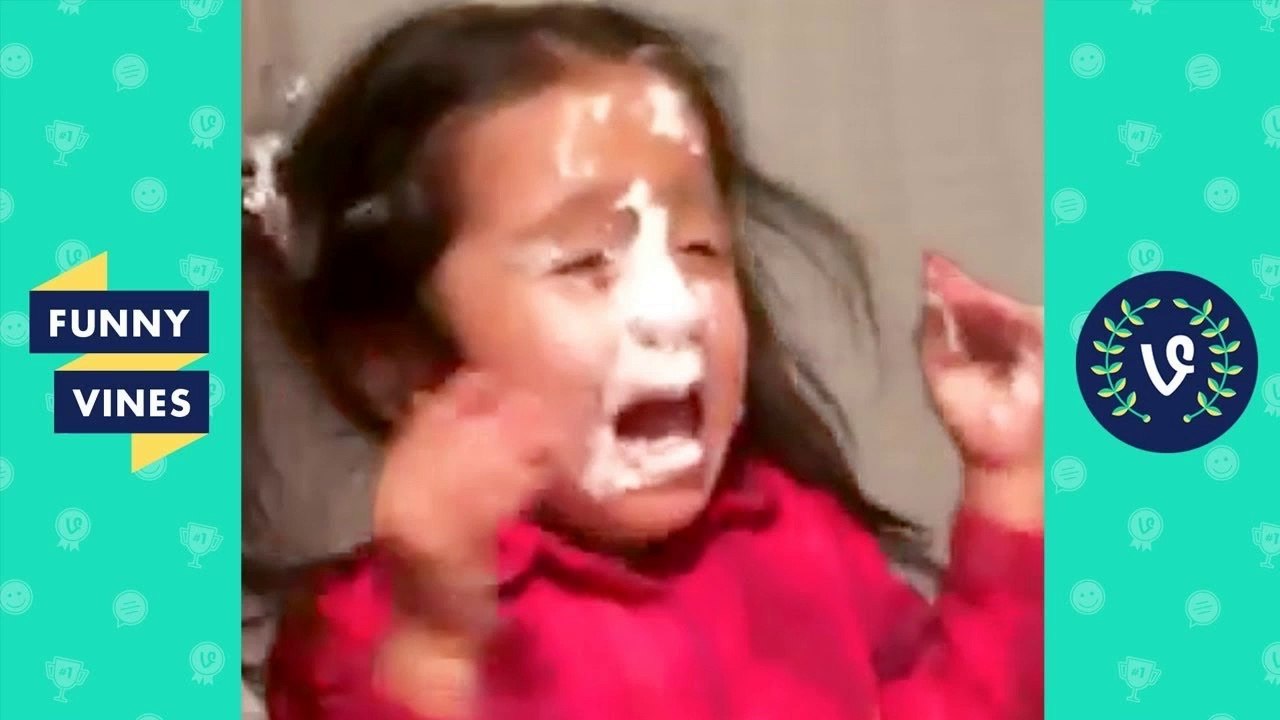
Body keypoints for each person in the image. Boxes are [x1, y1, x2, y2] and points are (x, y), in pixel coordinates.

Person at [259, 3, 1045, 718]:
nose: (675, 312)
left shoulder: (801, 540)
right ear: (397, 365)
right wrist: (434, 642)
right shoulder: (366, 633)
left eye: (700, 250)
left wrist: (1009, 484)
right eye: (584, 262)